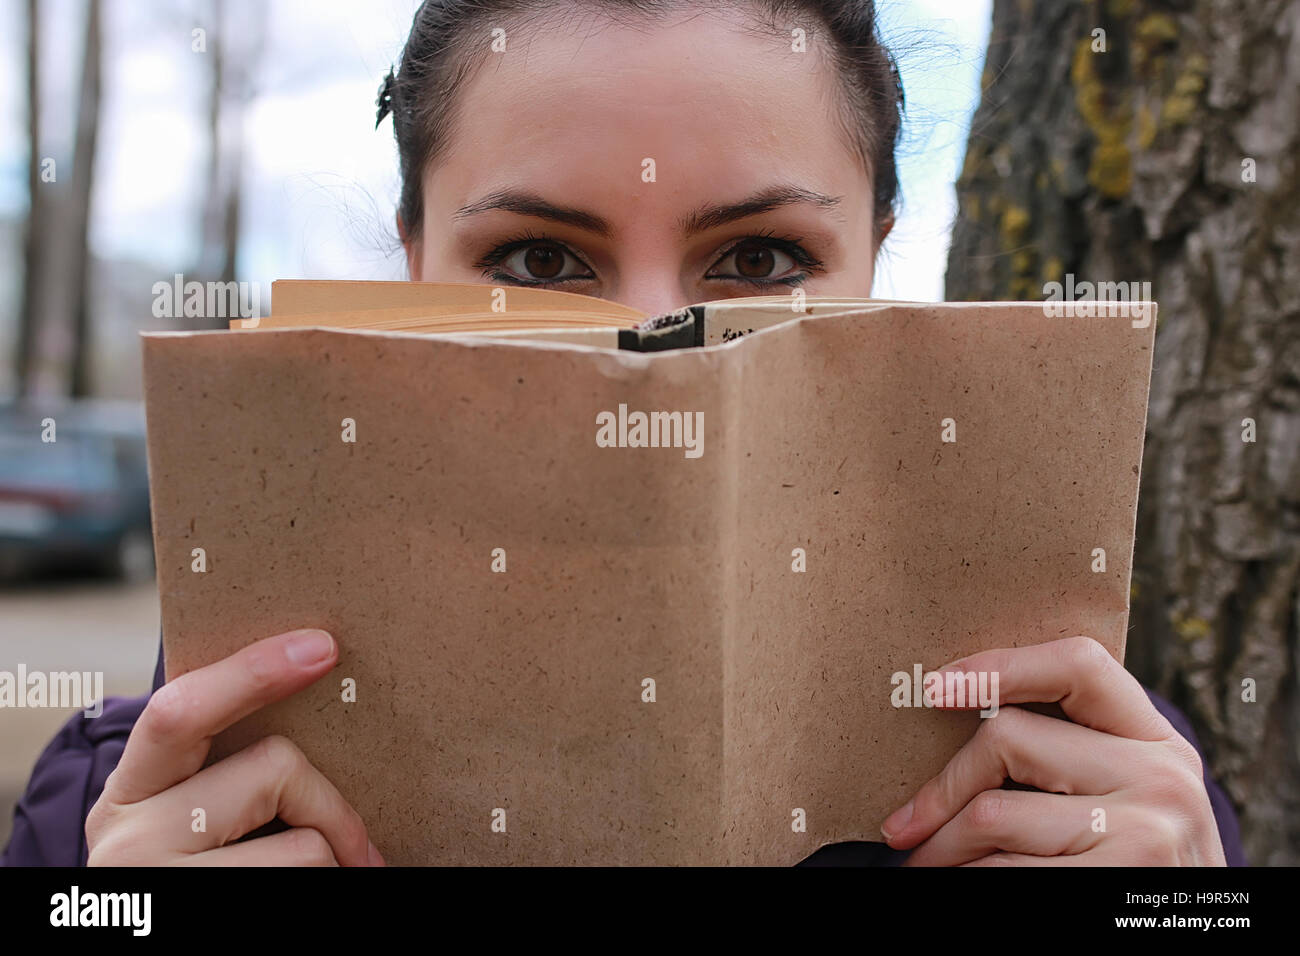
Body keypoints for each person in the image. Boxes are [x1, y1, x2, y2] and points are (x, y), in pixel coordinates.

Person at [2, 0, 1246, 867]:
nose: (653, 356)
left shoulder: (1108, 796)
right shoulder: (111, 818)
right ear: (411, 265)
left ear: (878, 265)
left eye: (760, 258)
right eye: (539, 258)